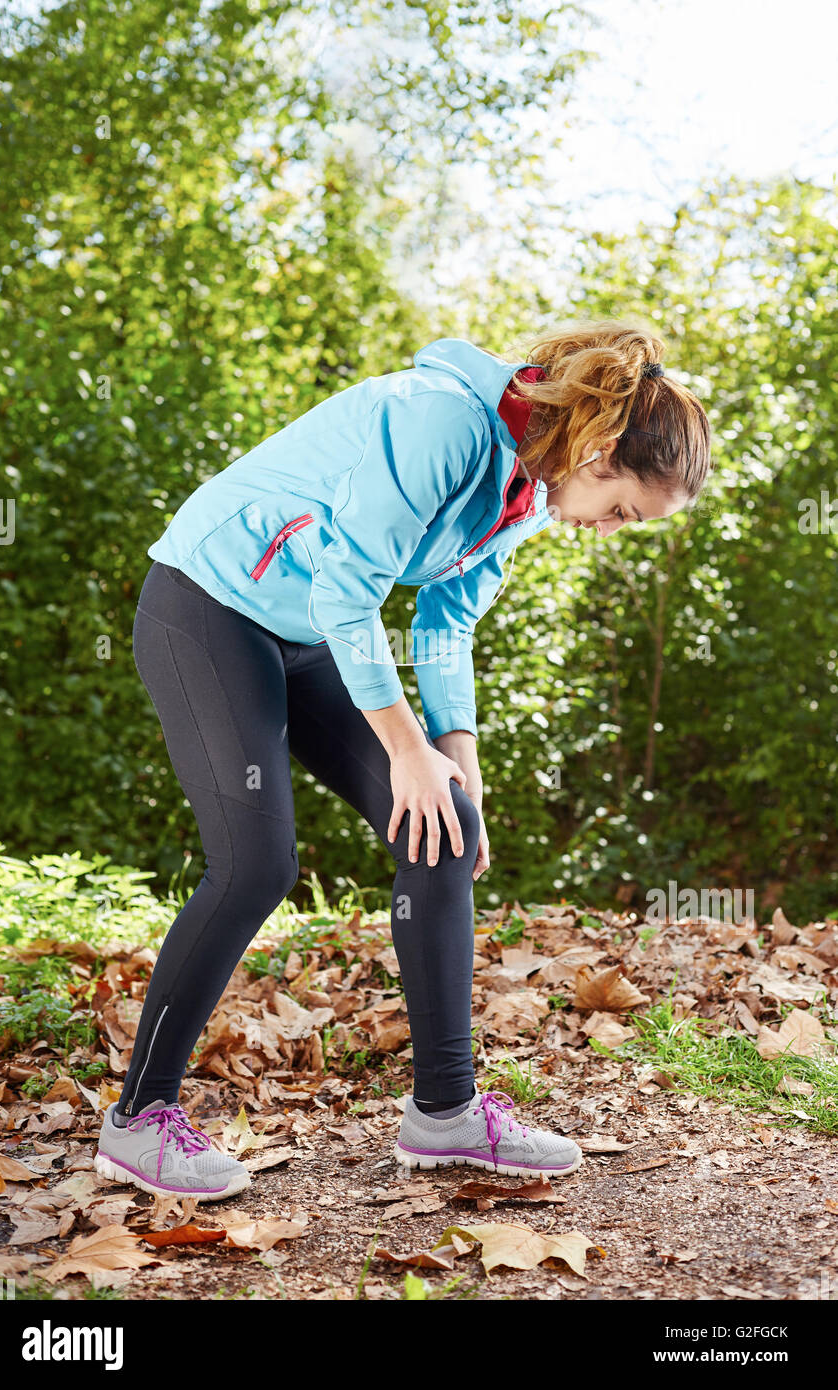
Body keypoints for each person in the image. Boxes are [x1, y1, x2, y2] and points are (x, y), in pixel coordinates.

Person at [93, 319, 712, 1200]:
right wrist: (403, 745)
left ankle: (445, 1113)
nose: (612, 528)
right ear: (602, 449)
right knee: (255, 865)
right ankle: (138, 1121)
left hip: (310, 631)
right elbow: (351, 587)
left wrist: (457, 759)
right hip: (211, 604)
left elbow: (445, 622)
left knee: (446, 827)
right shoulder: (441, 423)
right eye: (622, 510)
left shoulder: (530, 487)